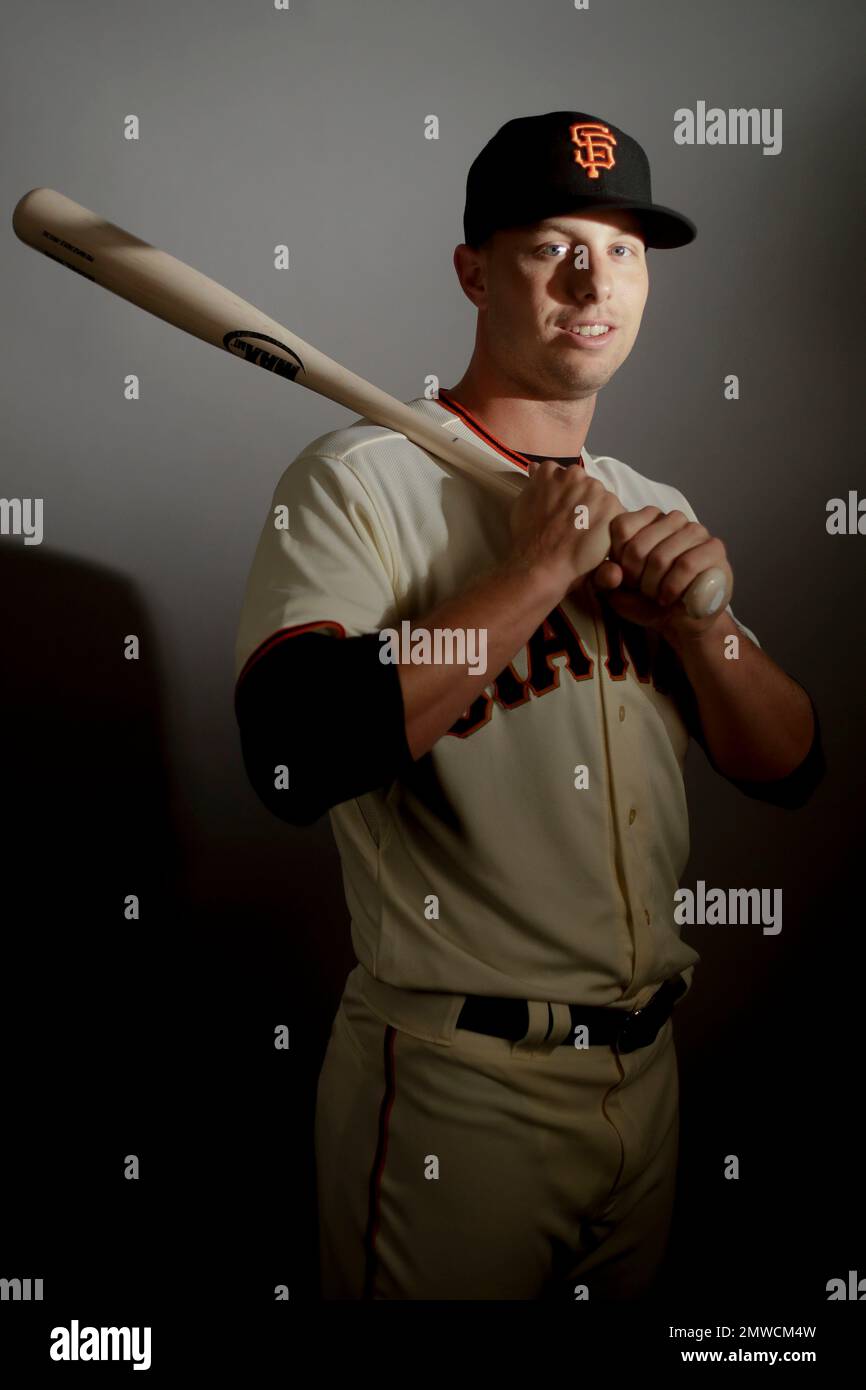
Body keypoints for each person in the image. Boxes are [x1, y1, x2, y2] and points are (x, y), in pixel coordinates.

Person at [233, 111, 825, 1300]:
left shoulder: (647, 502)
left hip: (648, 1077)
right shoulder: (358, 479)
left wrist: (700, 628)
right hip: (459, 1083)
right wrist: (532, 575)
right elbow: (291, 757)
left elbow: (788, 768)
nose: (588, 278)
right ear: (471, 270)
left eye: (620, 250)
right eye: (549, 243)